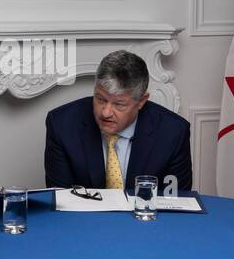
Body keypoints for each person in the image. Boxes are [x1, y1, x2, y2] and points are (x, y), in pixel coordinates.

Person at [44, 50, 192, 193]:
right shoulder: (61, 125)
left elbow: (176, 203)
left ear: (141, 101)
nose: (106, 112)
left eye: (119, 104)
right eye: (100, 99)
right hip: (84, 218)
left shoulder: (173, 133)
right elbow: (59, 201)